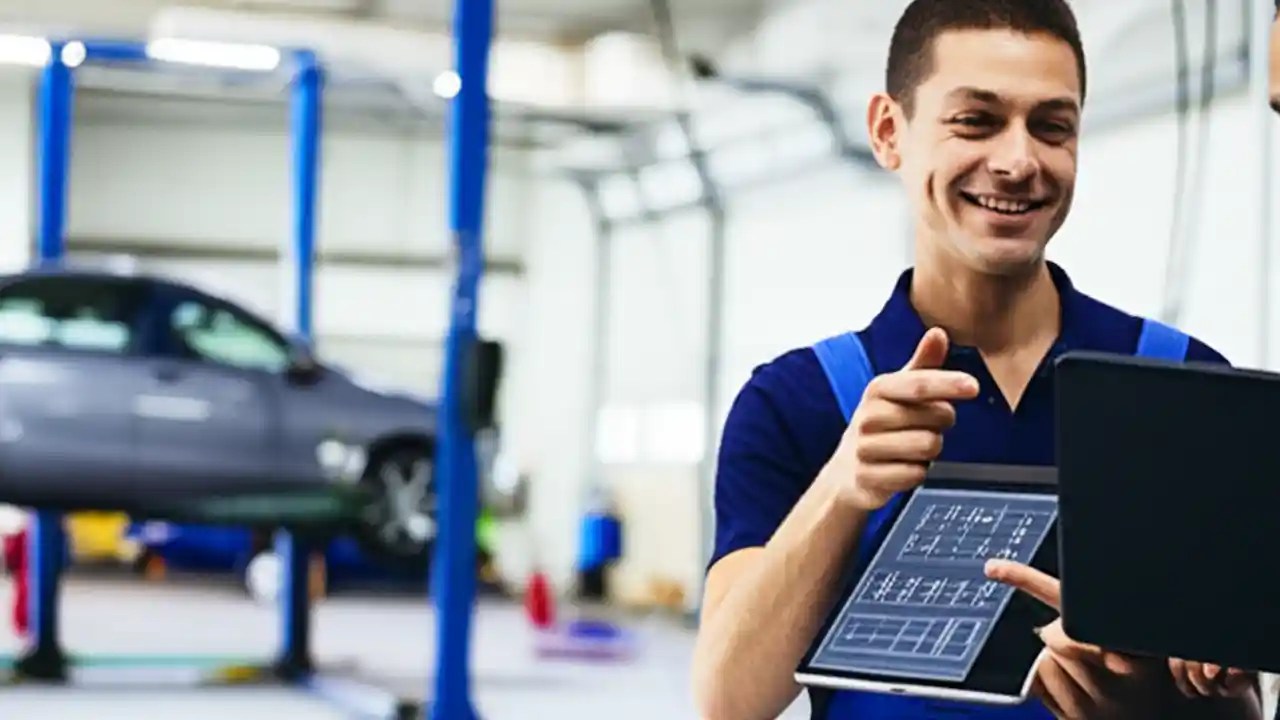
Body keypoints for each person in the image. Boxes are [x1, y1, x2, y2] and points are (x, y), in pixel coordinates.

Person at [691, 1, 1263, 718]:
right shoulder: (798, 402)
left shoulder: (1185, 385)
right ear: (888, 132)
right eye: (976, 121)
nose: (1019, 161)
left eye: (1052, 126)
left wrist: (1155, 704)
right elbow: (728, 701)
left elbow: (1240, 704)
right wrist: (842, 488)